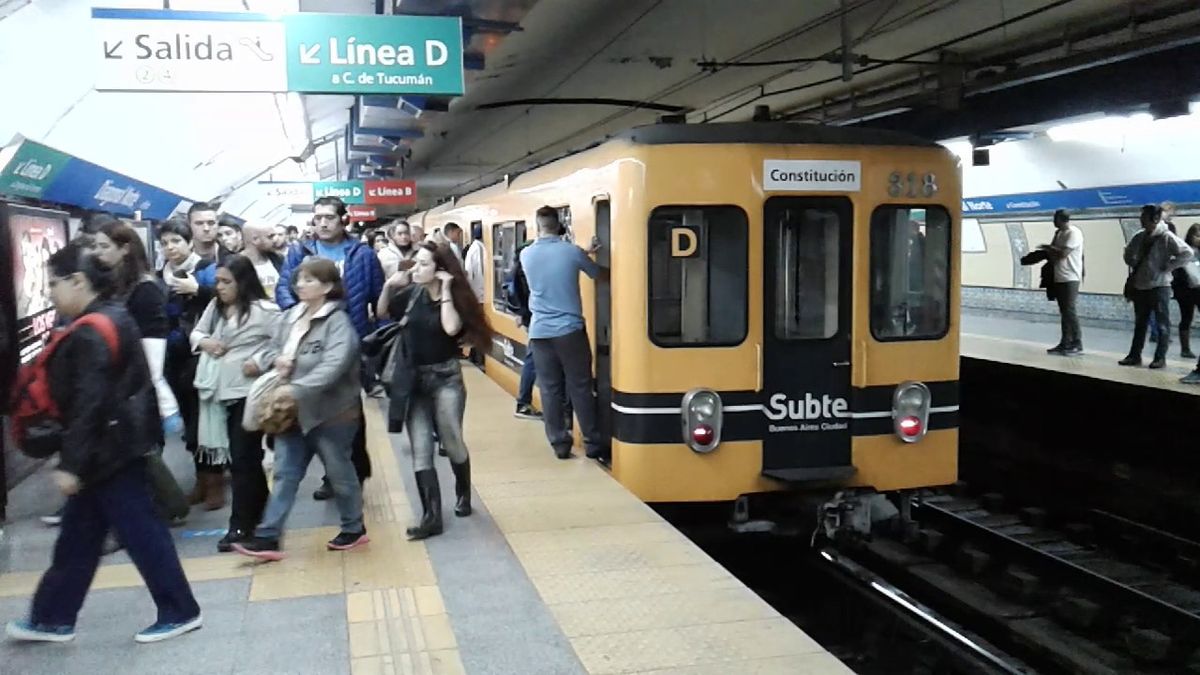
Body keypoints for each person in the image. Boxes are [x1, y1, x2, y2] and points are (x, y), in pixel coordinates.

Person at [5, 241, 202, 645]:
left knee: (142, 535)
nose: (49, 292)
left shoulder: (91, 331)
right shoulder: (116, 316)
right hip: (118, 445)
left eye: (54, 284)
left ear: (79, 281)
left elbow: (88, 406)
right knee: (80, 539)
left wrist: (72, 465)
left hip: (106, 454)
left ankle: (180, 610)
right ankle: (51, 617)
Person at [233, 258, 369, 560]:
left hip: (332, 413)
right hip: (292, 413)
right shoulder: (289, 317)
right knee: (285, 472)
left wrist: (296, 389)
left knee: (339, 471)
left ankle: (354, 527)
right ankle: (268, 537)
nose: (300, 285)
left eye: (309, 280)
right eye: (299, 279)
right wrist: (268, 360)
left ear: (328, 286)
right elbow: (272, 347)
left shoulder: (337, 322)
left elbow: (334, 365)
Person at [378, 243, 493, 540]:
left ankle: (463, 492)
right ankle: (431, 517)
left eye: (424, 264)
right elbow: (381, 312)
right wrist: (390, 285)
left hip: (446, 379)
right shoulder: (410, 294)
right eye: (415, 263)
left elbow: (451, 328)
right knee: (420, 448)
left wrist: (444, 290)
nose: (416, 269)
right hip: (413, 381)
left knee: (452, 440)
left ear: (440, 269)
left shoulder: (450, 297)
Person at [277, 197, 383, 499]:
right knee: (317, 410)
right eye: (318, 217)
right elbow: (285, 288)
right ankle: (330, 475)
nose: (322, 223)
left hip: (351, 340)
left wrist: (374, 340)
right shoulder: (300, 251)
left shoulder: (362, 254)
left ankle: (355, 473)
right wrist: (299, 314)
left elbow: (377, 296)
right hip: (310, 342)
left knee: (350, 413)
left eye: (329, 217)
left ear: (343, 220)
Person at [190, 256, 279, 552]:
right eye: (217, 281)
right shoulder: (215, 308)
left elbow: (283, 343)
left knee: (243, 458)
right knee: (245, 460)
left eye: (226, 282)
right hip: (217, 393)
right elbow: (197, 332)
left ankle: (240, 525)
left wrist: (260, 360)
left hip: (250, 393)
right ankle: (261, 519)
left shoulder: (265, 311)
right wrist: (207, 343)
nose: (220, 287)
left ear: (243, 282)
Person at [520, 206, 605, 460]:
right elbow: (597, 274)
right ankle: (592, 443)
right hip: (569, 331)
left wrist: (580, 252)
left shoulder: (526, 255)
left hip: (540, 333)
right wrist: (586, 254)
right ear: (560, 226)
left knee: (550, 389)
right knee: (580, 387)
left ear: (537, 226)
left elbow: (551, 268)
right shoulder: (571, 252)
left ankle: (559, 443)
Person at [158, 217, 229, 509]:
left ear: (189, 243)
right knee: (189, 422)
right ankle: (201, 480)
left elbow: (227, 298)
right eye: (164, 243)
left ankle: (215, 482)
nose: (170, 248)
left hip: (201, 355)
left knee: (206, 421)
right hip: (170, 357)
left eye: (176, 241)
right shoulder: (159, 276)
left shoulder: (207, 271)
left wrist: (198, 290)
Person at [1120, 204, 1194, 369]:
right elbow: (1128, 252)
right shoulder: (1139, 236)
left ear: (1154, 218)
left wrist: (1169, 267)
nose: (1140, 219)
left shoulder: (1166, 237)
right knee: (1140, 323)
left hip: (1160, 286)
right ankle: (1134, 355)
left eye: (1144, 216)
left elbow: (1187, 253)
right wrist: (1131, 260)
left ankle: (1160, 358)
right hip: (1141, 285)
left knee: (1162, 324)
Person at [1041, 209, 1084, 355]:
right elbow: (1053, 254)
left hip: (1070, 277)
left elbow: (1063, 253)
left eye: (1055, 218)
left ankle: (1077, 343)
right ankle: (1065, 342)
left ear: (1061, 219)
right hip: (1059, 277)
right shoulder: (1059, 233)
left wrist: (1049, 248)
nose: (1053, 221)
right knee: (1064, 311)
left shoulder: (1073, 233)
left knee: (1069, 310)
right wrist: (1051, 249)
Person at [240, 222, 284, 299]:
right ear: (255, 239)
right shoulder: (236, 264)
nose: (275, 240)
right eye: (270, 236)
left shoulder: (278, 259)